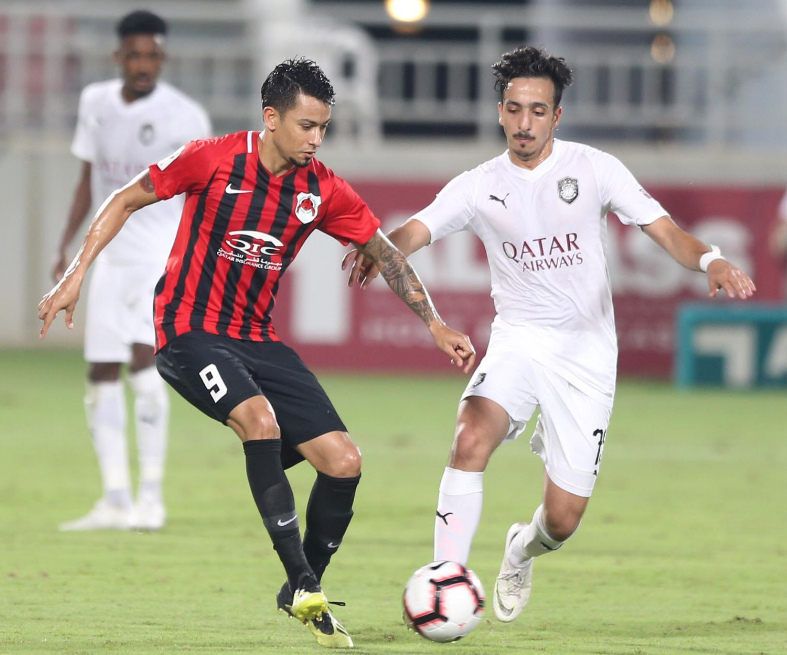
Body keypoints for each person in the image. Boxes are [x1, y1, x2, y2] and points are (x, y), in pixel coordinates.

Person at [39, 56, 475, 649]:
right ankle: (305, 585)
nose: (316, 139)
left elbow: (386, 253)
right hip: (187, 329)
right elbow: (122, 199)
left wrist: (434, 323)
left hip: (256, 338)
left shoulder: (322, 189)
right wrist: (75, 274)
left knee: (344, 462)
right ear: (271, 118)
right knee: (259, 421)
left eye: (323, 128)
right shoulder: (213, 158)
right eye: (306, 126)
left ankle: (301, 583)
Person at [343, 46, 756, 624]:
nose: (525, 123)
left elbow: (666, 233)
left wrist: (710, 259)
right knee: (469, 438)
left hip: (586, 356)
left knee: (562, 520)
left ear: (557, 116)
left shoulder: (595, 169)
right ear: (500, 111)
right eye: (514, 109)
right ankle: (446, 579)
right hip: (518, 341)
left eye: (538, 111)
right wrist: (380, 248)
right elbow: (415, 231)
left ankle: (520, 550)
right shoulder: (478, 185)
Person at [53, 10, 211, 532]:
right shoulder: (94, 103)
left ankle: (151, 499)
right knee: (101, 372)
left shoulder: (185, 116)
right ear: (119, 56)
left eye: (153, 56)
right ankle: (116, 499)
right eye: (136, 55)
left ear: (162, 59)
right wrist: (68, 246)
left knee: (145, 366)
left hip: (159, 258)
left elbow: (205, 191)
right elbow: (89, 180)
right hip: (109, 260)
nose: (144, 65)